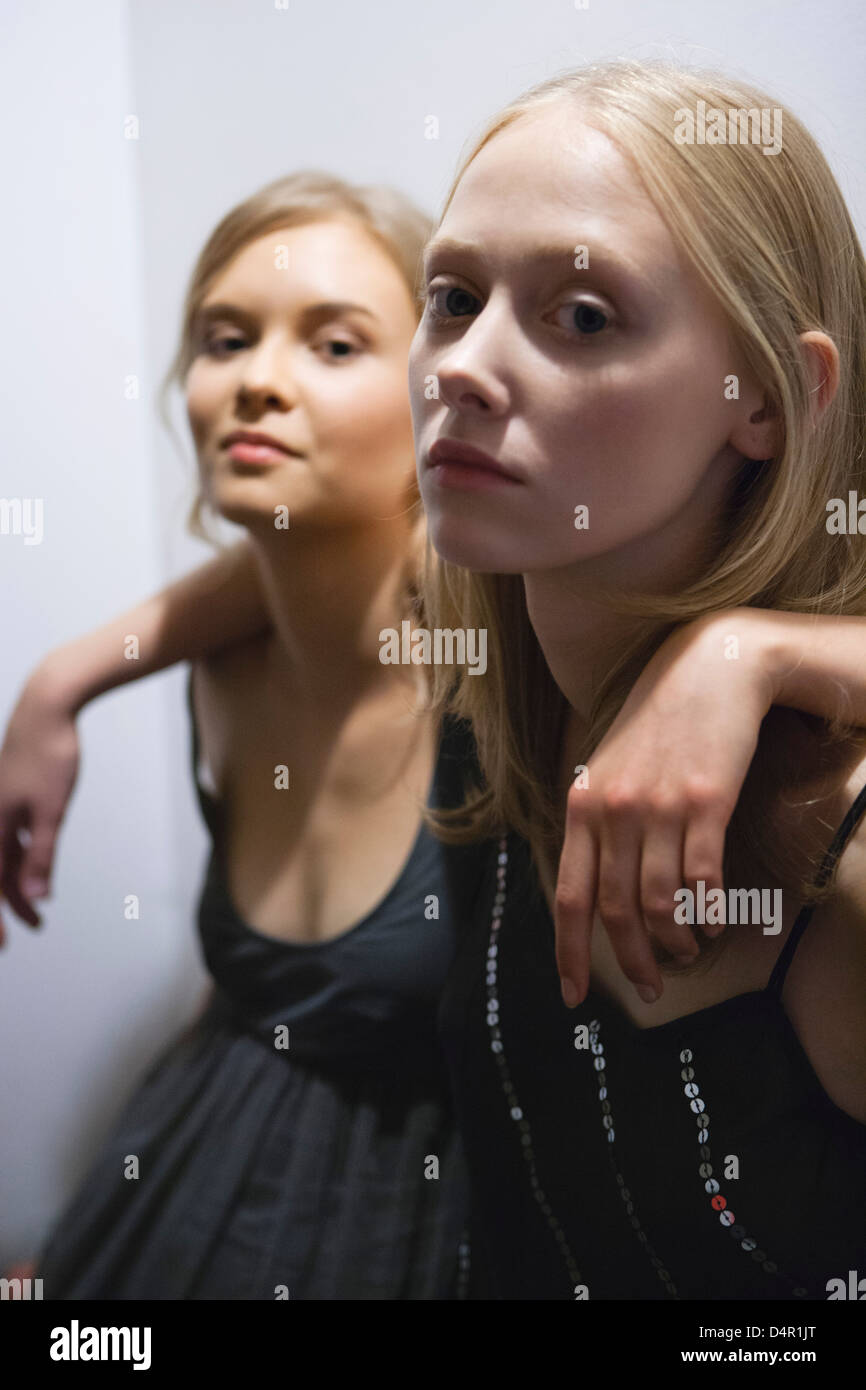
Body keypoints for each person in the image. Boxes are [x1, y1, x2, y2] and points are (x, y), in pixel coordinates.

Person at [412, 60, 866, 1298]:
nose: (460, 367)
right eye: (450, 297)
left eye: (584, 316)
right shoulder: (480, 679)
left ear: (768, 397)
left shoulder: (839, 862)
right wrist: (61, 686)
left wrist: (753, 650)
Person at [2, 169, 484, 1300]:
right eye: (226, 339)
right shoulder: (221, 669)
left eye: (333, 345)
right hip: (187, 1176)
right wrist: (55, 684)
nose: (257, 382)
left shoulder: (499, 651)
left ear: (434, 391)